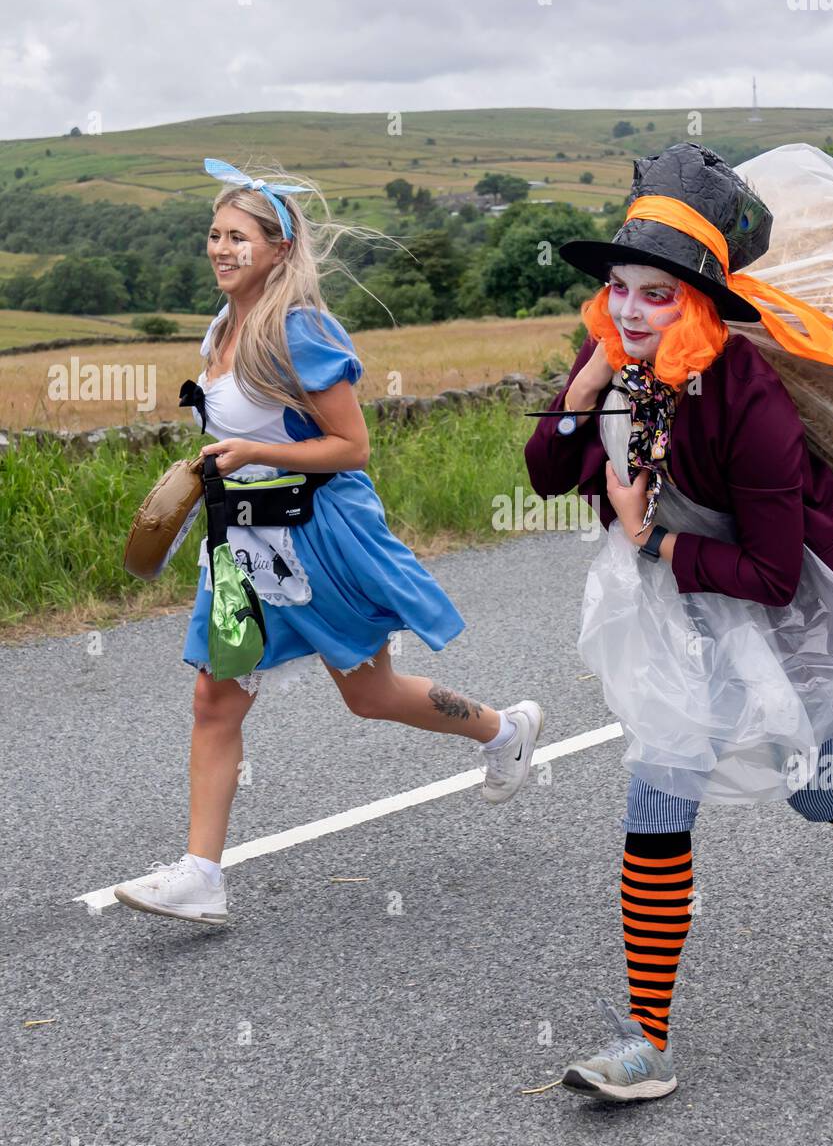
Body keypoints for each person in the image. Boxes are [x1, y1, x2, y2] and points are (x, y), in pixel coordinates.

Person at [524, 142, 833, 1103]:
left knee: (813, 790)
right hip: (683, 607)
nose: (633, 310)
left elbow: (770, 576)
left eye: (657, 296)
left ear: (701, 303)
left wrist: (652, 546)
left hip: (805, 607)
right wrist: (591, 379)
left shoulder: (748, 398)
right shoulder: (617, 358)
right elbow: (547, 471)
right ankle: (644, 1043)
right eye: (621, 290)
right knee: (658, 790)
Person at [114, 159, 543, 926]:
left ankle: (505, 729)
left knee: (370, 696)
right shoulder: (221, 328)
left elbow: (352, 445)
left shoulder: (298, 329)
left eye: (238, 237)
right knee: (215, 698)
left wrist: (254, 456)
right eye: (214, 234)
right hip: (242, 543)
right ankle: (201, 877)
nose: (220, 248)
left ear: (278, 249)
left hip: (317, 538)